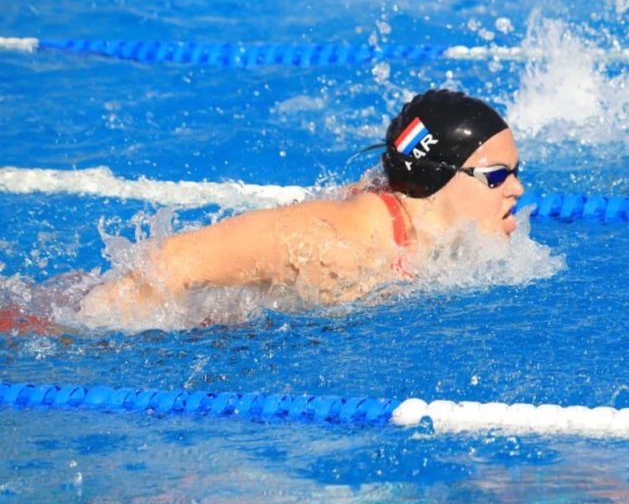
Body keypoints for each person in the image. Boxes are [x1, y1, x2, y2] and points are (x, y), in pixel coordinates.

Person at [3, 89, 524, 332]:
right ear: (438, 177)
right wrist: (85, 333)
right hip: (64, 325)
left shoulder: (414, 224)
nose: (517, 190)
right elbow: (175, 262)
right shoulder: (345, 243)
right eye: (498, 175)